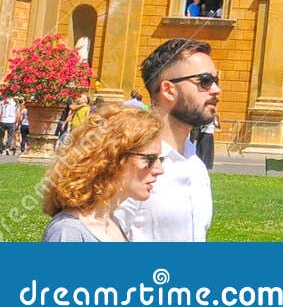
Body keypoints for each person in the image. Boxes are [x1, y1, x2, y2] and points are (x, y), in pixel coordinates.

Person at [115, 39, 220, 241]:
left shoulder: (195, 164)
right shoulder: (131, 164)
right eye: (205, 81)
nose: (216, 89)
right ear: (168, 90)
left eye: (216, 81)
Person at [40, 106, 166, 242]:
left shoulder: (112, 223)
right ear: (111, 159)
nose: (160, 170)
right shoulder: (69, 232)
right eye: (150, 159)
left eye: (160, 159)